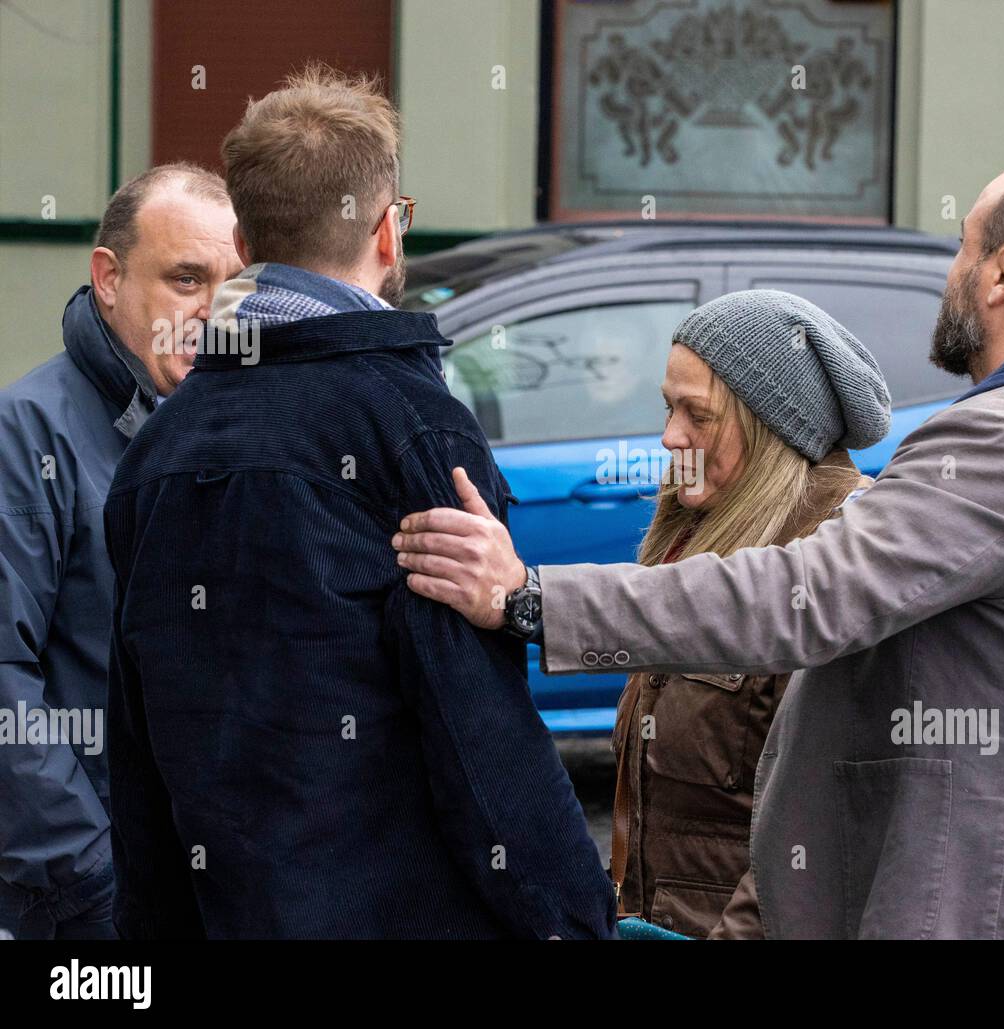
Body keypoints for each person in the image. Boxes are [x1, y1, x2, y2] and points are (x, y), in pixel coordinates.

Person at [392, 150, 1004, 939]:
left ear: (1003, 272)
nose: (954, 268)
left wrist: (529, 597)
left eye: (963, 245)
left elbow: (801, 595)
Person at [103, 65, 614, 939]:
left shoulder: (158, 447)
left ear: (246, 239)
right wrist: (574, 916)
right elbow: (477, 728)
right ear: (386, 229)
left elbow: (137, 742)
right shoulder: (412, 427)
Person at [0, 164, 239, 939]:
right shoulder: (26, 434)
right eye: (185, 279)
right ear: (109, 279)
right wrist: (94, 885)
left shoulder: (238, 428)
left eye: (233, 285)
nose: (214, 313)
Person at [607, 291, 885, 937]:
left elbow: (819, 839)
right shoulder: (698, 528)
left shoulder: (835, 562)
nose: (669, 436)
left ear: (770, 426)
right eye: (669, 407)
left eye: (697, 414)